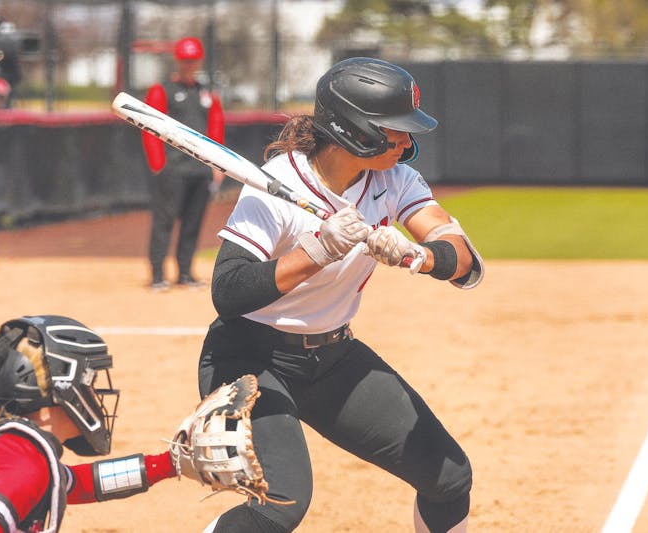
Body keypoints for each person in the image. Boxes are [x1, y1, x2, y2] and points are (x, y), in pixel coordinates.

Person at [198, 57, 484, 533]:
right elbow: (228, 292)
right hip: (248, 360)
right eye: (395, 131)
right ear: (355, 131)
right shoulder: (278, 185)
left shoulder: (394, 179)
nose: (408, 143)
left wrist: (419, 256)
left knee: (449, 477)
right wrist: (317, 249)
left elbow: (463, 258)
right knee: (280, 504)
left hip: (331, 357)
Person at [0, 314, 177, 533]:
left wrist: (169, 464)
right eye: (89, 382)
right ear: (64, 387)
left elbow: (82, 484)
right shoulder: (24, 463)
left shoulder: (26, 453)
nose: (93, 393)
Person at [141, 36, 225, 291]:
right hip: (173, 169)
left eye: (193, 60)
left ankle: (185, 272)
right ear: (178, 61)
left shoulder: (206, 93)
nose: (190, 65)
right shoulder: (162, 90)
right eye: (185, 60)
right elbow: (149, 128)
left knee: (193, 222)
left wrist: (216, 165)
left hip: (199, 169)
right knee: (164, 221)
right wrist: (159, 164)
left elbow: (215, 127)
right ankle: (158, 274)